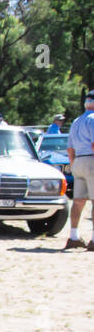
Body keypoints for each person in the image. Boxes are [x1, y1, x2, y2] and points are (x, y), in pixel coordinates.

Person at [66, 90, 94, 251]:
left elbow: (70, 148)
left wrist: (74, 164)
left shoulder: (76, 121)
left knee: (77, 201)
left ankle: (73, 236)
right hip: (91, 159)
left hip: (78, 161)